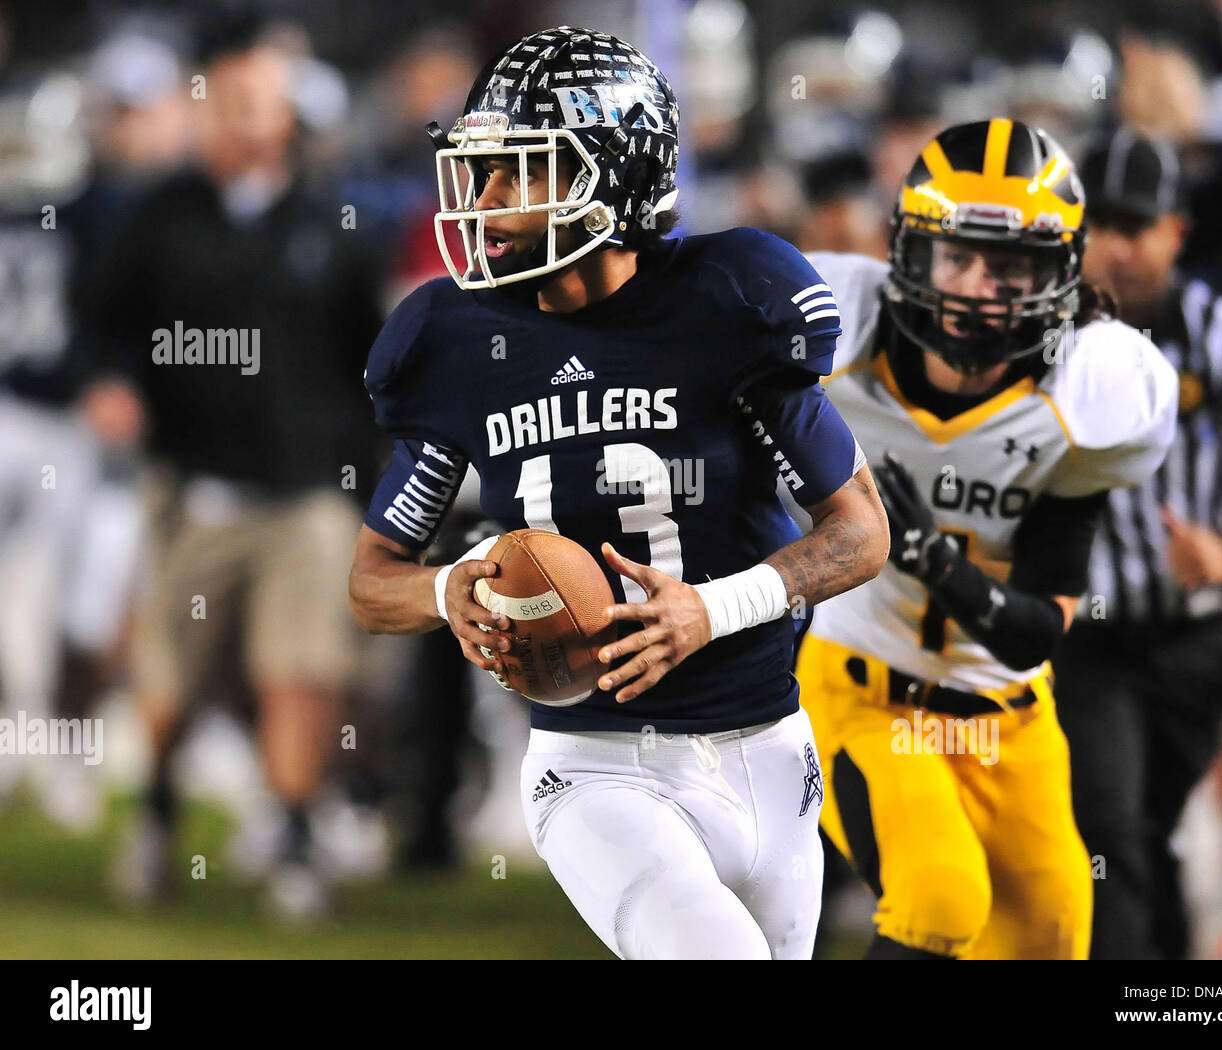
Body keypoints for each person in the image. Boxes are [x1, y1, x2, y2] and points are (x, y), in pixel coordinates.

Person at [347, 25, 889, 960]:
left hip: (770, 749)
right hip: (592, 763)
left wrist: (712, 610)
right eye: (482, 173)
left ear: (611, 172)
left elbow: (860, 533)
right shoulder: (459, 341)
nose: (485, 203)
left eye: (519, 172)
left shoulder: (732, 299)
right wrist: (451, 591)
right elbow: (372, 580)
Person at [796, 118, 1179, 959]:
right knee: (939, 896)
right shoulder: (834, 330)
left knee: (1050, 936)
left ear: (1059, 277)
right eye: (957, 257)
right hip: (863, 693)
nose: (977, 286)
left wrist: (932, 558)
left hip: (1008, 715)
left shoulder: (1091, 393)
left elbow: (1031, 631)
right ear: (908, 254)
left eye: (1009, 267)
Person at [90, 24, 383, 916]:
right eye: (226, 98)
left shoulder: (334, 222)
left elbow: (370, 360)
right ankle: (158, 810)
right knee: (169, 677)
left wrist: (371, 483)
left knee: (300, 668)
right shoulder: (158, 215)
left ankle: (293, 831)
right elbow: (100, 321)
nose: (241, 118)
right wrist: (107, 383)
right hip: (192, 481)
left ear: (285, 110)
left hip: (305, 488)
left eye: (256, 99)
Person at [1054, 126, 1222, 959]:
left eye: (1138, 227)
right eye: (1102, 227)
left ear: (1177, 232)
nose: (1118, 250)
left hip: (1195, 637)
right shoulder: (1040, 335)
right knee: (1108, 828)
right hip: (1083, 632)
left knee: (1144, 835)